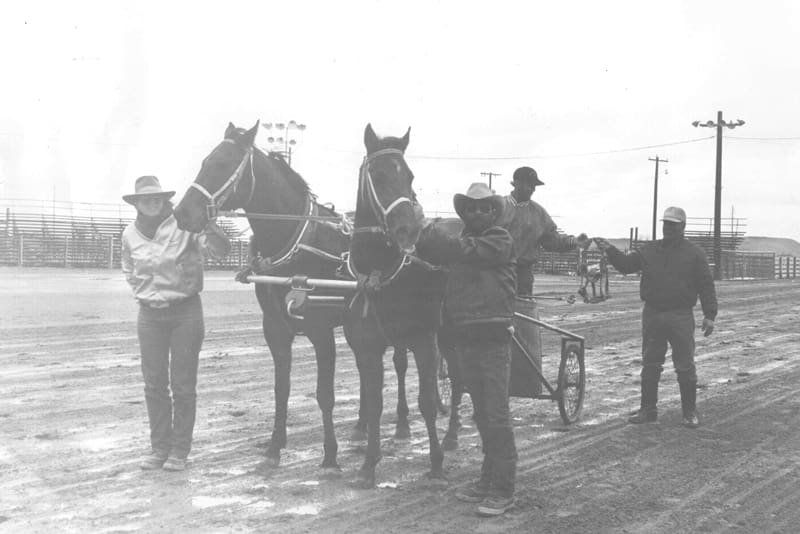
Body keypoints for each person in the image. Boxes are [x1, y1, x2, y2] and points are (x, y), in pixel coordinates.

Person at [121, 175, 231, 471]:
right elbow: (129, 269)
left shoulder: (185, 223)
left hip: (186, 313)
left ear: (165, 200)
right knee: (154, 384)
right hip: (149, 316)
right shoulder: (129, 234)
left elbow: (221, 250)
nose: (152, 203)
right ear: (137, 204)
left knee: (182, 385)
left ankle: (179, 451)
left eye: (157, 198)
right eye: (146, 199)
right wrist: (145, 293)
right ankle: (159, 449)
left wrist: (210, 225)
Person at [433, 182, 518, 517]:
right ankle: (487, 479)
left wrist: (433, 236)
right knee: (482, 415)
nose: (478, 212)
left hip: (494, 341)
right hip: (466, 340)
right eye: (472, 208)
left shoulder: (499, 239)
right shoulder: (460, 246)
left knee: (496, 415)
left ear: (493, 213)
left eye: (484, 208)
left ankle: (504, 489)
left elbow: (463, 251)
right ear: (464, 212)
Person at [594, 206, 717, 428]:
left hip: (680, 315)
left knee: (685, 366)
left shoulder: (695, 253)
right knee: (650, 364)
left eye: (673, 224)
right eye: (665, 223)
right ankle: (648, 410)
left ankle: (689, 412)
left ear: (683, 227)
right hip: (652, 313)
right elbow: (626, 266)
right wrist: (610, 250)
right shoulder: (648, 250)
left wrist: (710, 315)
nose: (668, 228)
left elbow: (706, 285)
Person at [497, 166, 586, 296]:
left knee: (522, 310)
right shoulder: (497, 207)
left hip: (523, 275)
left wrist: (574, 241)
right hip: (495, 271)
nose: (532, 189)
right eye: (529, 184)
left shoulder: (538, 213)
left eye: (534, 186)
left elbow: (552, 240)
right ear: (516, 183)